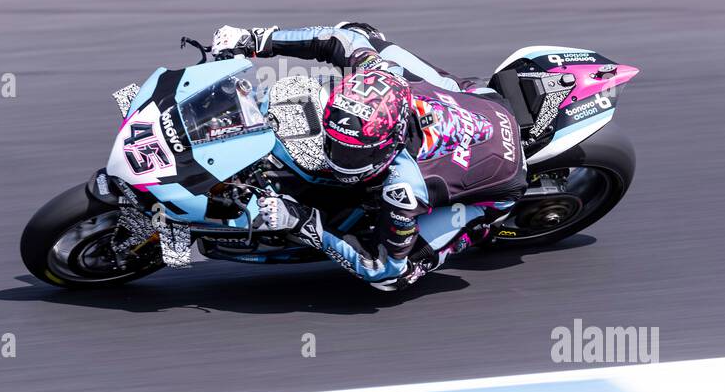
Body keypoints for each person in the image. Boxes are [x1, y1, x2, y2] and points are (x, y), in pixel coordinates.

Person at [210, 23, 526, 290]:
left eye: (350, 155)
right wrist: (255, 40)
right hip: (479, 100)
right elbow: (335, 40)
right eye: (336, 146)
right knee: (354, 30)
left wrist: (304, 221)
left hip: (500, 183)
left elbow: (381, 265)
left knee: (391, 277)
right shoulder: (380, 72)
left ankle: (480, 224)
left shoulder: (405, 187)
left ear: (388, 147)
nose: (337, 157)